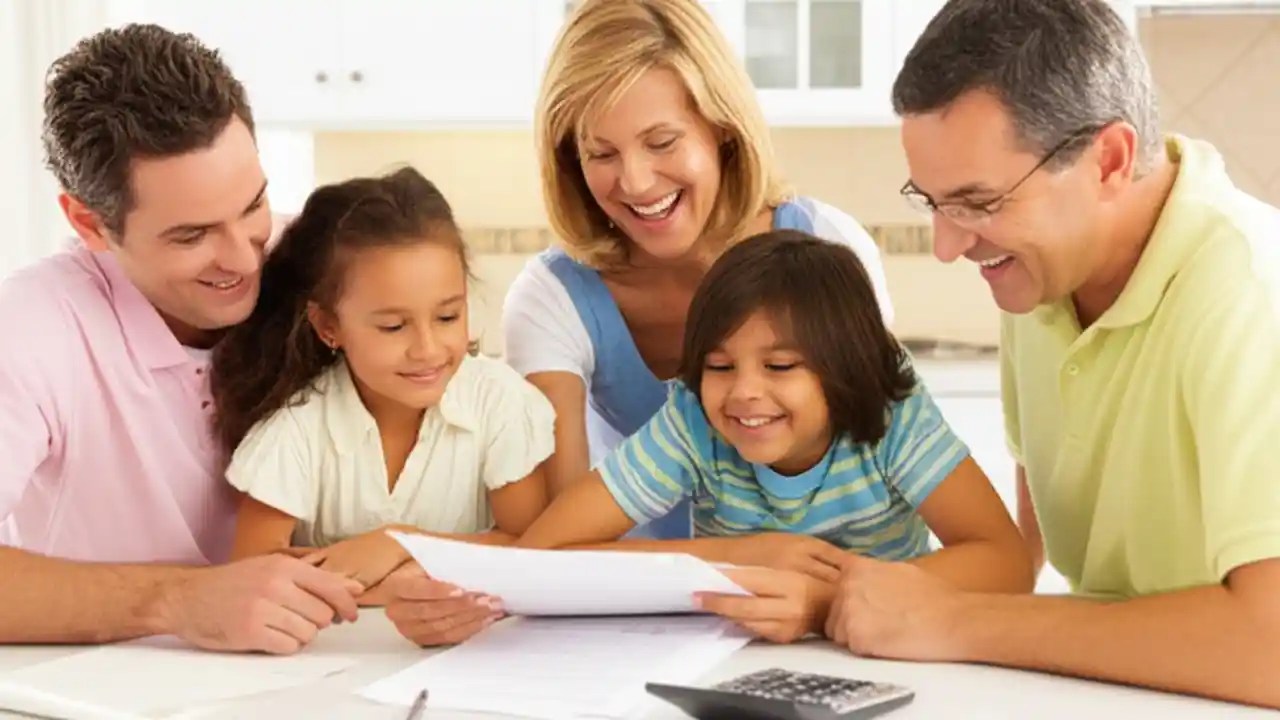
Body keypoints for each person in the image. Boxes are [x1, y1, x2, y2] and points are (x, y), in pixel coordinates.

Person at [820, 0, 1280, 708]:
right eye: (932, 201)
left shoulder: (1252, 293)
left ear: (1110, 161)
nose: (948, 246)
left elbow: (1269, 648)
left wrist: (951, 619)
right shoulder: (1041, 285)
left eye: (979, 201)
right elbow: (1031, 564)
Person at [386, 230, 1034, 647]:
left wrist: (823, 599)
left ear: (846, 368)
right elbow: (551, 551)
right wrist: (744, 559)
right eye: (720, 366)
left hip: (889, 652)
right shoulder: (696, 418)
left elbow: (1003, 561)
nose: (743, 392)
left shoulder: (890, 407)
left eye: (779, 367)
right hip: (735, 663)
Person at [0, 24, 359, 655]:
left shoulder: (318, 268)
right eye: (191, 236)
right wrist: (175, 600)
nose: (244, 260)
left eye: (252, 207)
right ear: (91, 223)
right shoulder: (31, 328)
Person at [499, 0, 895, 541]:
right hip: (630, 611)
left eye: (662, 142)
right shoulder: (552, 299)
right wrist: (741, 565)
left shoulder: (830, 248)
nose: (636, 182)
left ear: (722, 127)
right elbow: (554, 543)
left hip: (828, 601)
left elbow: (894, 461)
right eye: (601, 153)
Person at [212, 167, 553, 610]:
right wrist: (388, 594)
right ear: (329, 326)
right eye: (394, 326)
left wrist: (404, 544)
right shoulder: (297, 427)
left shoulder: (500, 403)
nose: (428, 349)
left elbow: (532, 548)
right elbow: (253, 576)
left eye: (448, 317)